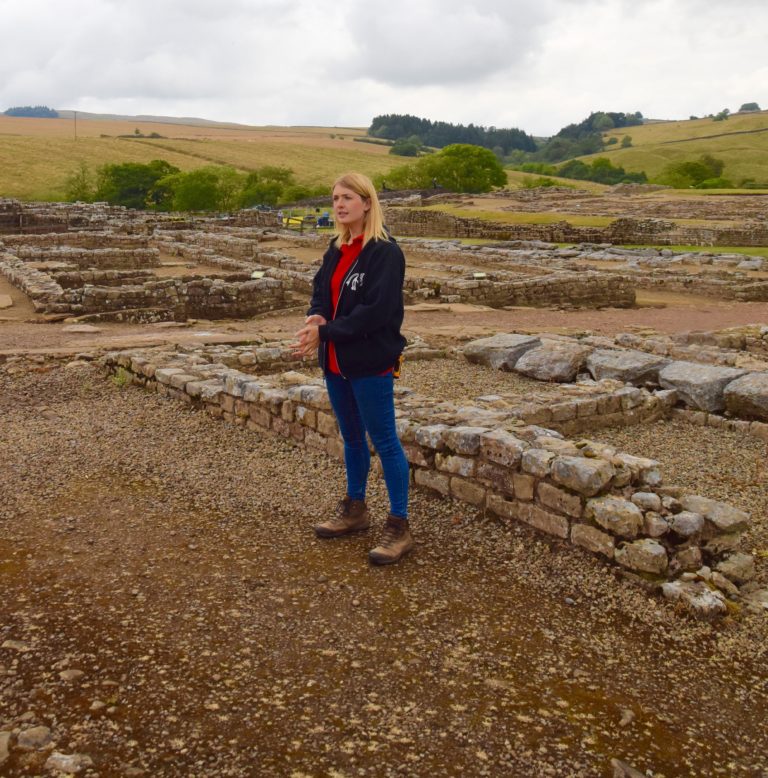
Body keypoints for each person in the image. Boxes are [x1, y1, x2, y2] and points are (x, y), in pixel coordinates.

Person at [292, 172, 412, 565]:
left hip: (369, 360)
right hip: (335, 363)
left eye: (347, 198)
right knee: (353, 439)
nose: (339, 205)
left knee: (386, 441)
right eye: (335, 199)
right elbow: (320, 293)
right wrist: (315, 320)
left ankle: (398, 525)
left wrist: (326, 332)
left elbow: (376, 312)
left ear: (367, 203)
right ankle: (356, 509)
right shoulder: (336, 248)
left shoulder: (385, 253)